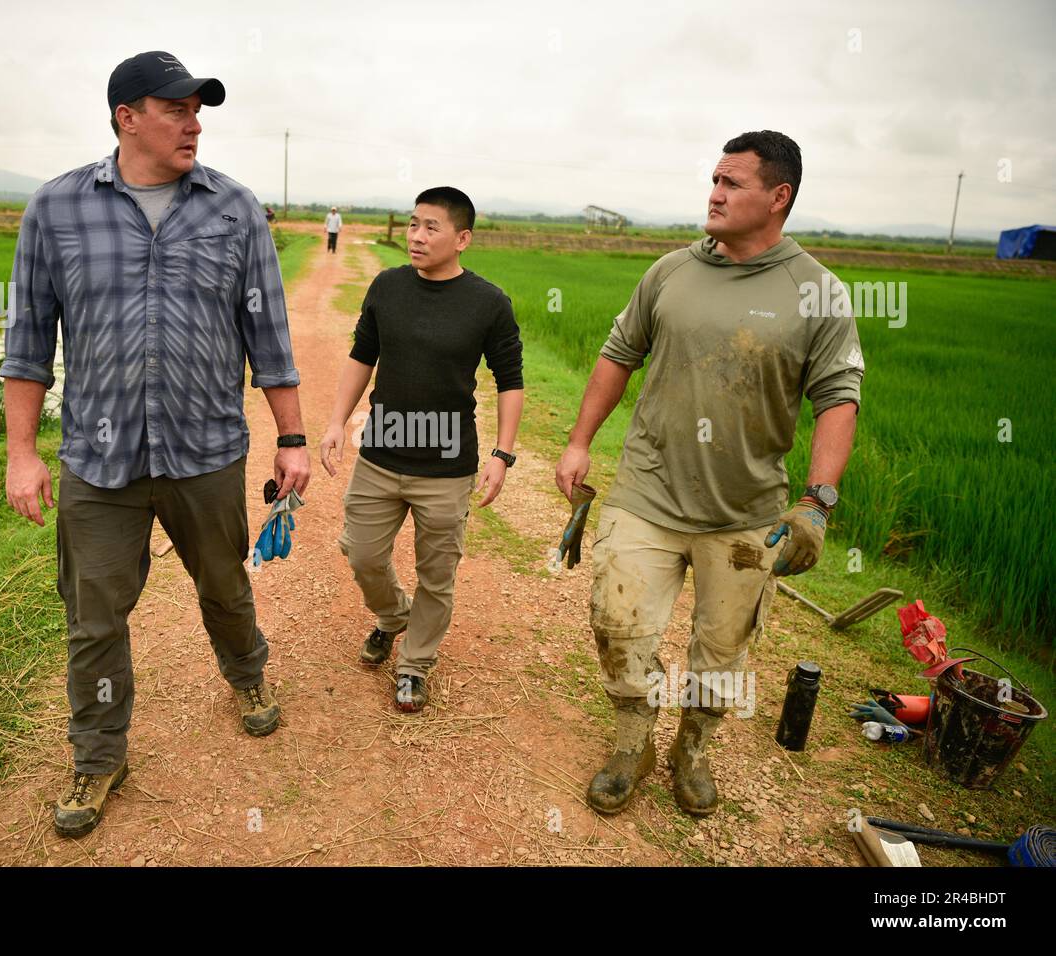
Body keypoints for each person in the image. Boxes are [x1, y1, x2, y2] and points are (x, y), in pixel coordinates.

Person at [0, 51, 311, 838]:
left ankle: (246, 676)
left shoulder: (235, 211)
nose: (193, 122)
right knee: (93, 614)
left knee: (223, 586)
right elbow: (29, 342)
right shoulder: (56, 210)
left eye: (198, 109)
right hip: (98, 466)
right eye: (175, 108)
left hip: (205, 451)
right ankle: (100, 755)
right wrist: (21, 453)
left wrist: (293, 438)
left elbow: (268, 336)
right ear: (125, 117)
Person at [554, 131, 862, 818]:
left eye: (732, 183)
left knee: (722, 655)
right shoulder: (668, 272)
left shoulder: (817, 292)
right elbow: (617, 355)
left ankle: (691, 750)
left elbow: (839, 397)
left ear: (778, 197)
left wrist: (817, 501)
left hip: (747, 513)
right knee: (616, 623)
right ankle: (633, 740)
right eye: (713, 180)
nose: (715, 194)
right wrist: (579, 442)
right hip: (648, 488)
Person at [320, 187, 524, 712]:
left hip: (447, 467)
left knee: (438, 572)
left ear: (462, 239)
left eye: (431, 227)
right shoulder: (387, 287)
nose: (416, 236)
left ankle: (414, 663)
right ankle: (393, 617)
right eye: (413, 224)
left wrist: (502, 454)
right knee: (361, 552)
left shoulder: (489, 303)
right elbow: (361, 357)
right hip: (381, 456)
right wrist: (337, 422)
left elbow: (510, 381)